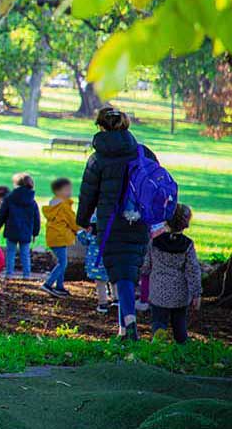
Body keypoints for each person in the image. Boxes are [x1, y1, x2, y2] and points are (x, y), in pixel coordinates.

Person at [76, 107, 159, 341]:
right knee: (129, 271)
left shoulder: (97, 159)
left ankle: (128, 322)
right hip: (138, 221)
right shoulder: (143, 153)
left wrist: (82, 221)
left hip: (110, 223)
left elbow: (87, 194)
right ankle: (124, 327)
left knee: (118, 273)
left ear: (101, 126)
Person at [142, 204, 202, 344]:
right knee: (179, 323)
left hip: (158, 291)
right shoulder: (187, 245)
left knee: (158, 322)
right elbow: (193, 270)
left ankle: (158, 345)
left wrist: (143, 287)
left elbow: (145, 265)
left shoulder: (155, 242)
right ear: (185, 224)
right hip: (180, 294)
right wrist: (196, 293)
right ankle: (181, 346)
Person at [0, 172, 40, 278]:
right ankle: (26, 274)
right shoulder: (32, 201)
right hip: (26, 231)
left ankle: (9, 273)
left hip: (12, 230)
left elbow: (3, 213)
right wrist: (35, 232)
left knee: (10, 252)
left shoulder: (9, 199)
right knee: (25, 254)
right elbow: (36, 218)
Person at [41, 178, 80, 298]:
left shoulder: (53, 203)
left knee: (61, 262)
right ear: (58, 191)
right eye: (67, 189)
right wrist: (81, 229)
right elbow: (72, 221)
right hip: (60, 237)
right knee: (63, 263)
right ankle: (48, 284)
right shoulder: (63, 206)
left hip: (53, 237)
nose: (70, 192)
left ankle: (60, 287)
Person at [78, 215, 113, 314]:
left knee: (100, 284)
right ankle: (116, 299)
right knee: (113, 280)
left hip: (96, 266)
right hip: (109, 263)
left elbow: (81, 238)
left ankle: (103, 304)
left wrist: (85, 230)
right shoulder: (109, 236)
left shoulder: (91, 237)